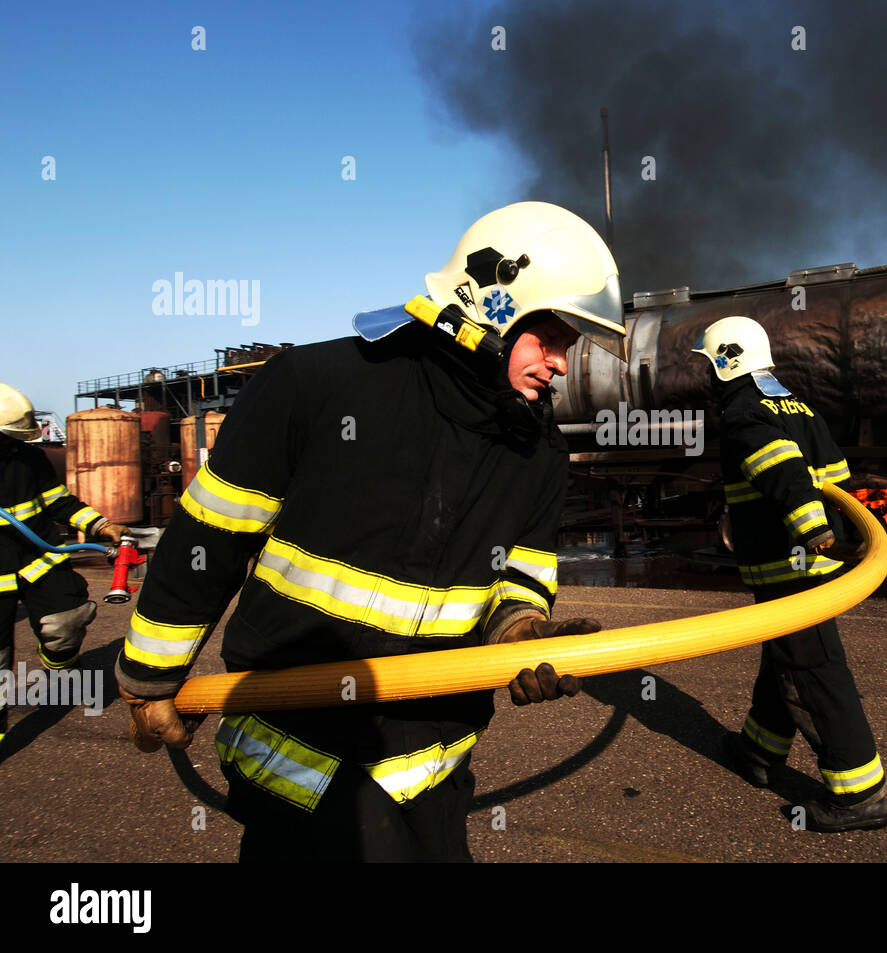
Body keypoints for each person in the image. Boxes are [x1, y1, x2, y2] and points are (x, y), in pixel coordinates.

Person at [115, 202, 627, 860]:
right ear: (491, 309)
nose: (561, 362)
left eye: (572, 344)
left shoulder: (538, 449)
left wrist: (522, 632)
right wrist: (152, 677)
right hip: (296, 762)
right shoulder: (318, 387)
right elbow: (208, 539)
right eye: (549, 335)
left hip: (430, 769)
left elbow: (520, 575)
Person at [691, 316, 887, 832]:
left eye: (709, 365)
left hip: (787, 563)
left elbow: (783, 471)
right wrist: (834, 534)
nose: (706, 378)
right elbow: (838, 479)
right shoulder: (799, 405)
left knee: (812, 667)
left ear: (725, 362)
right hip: (809, 565)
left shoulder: (743, 411)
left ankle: (858, 793)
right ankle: (759, 749)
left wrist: (810, 527)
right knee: (785, 655)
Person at [1, 383, 126, 747]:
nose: (12, 445)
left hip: (38, 561)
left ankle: (61, 674)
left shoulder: (28, 459)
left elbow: (59, 502)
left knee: (68, 619)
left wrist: (102, 525)